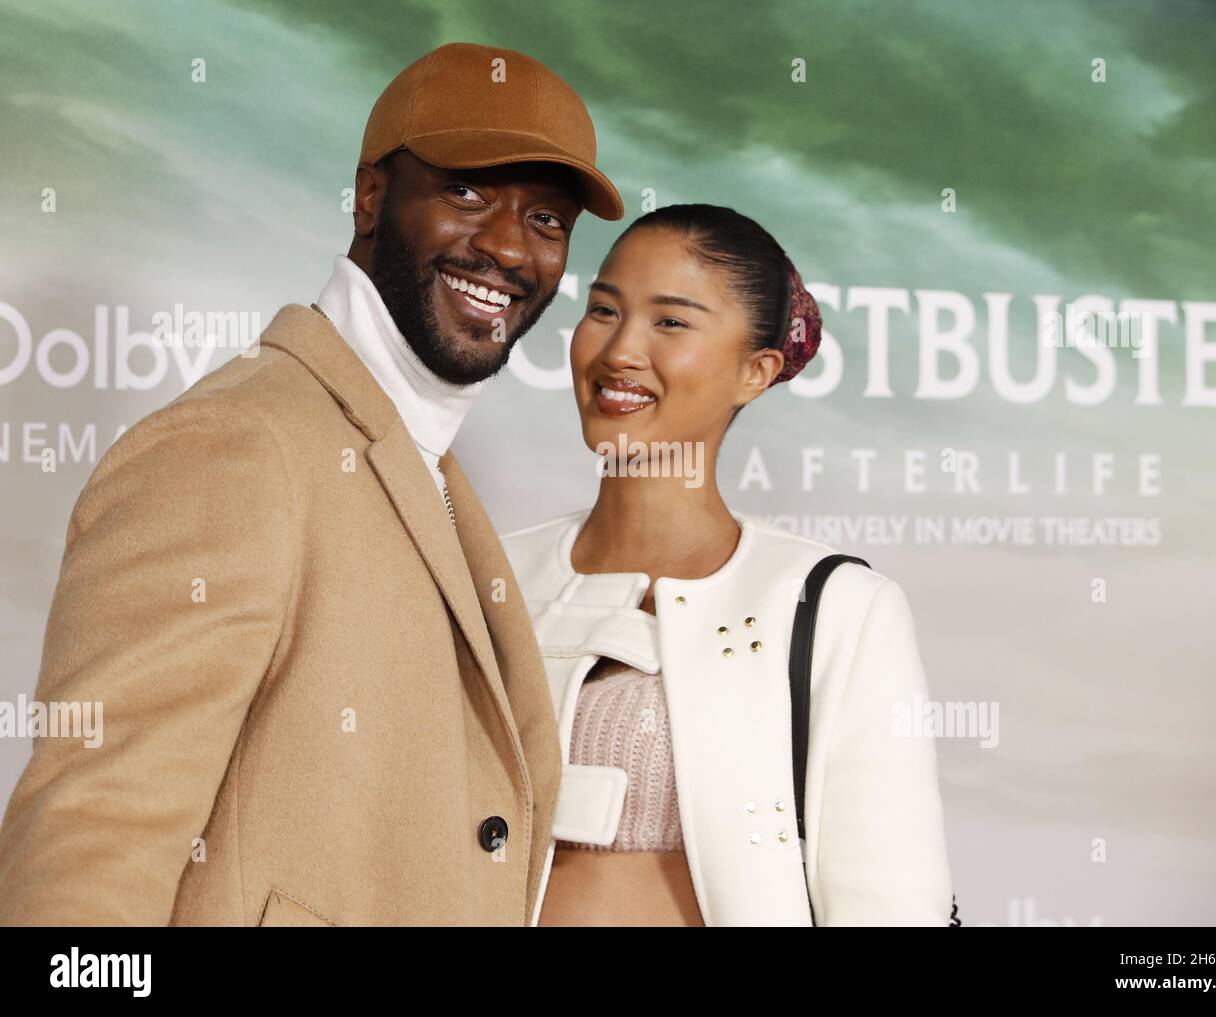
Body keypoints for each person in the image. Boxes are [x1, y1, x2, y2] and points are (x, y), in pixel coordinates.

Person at [0, 42, 624, 925]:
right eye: (468, 193)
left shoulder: (423, 466)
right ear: (371, 197)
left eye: (547, 221)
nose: (507, 249)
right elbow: (91, 839)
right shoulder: (234, 444)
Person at [502, 204, 953, 926]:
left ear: (755, 371)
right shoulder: (491, 574)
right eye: (603, 310)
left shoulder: (838, 608)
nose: (619, 349)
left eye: (671, 322)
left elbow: (892, 907)